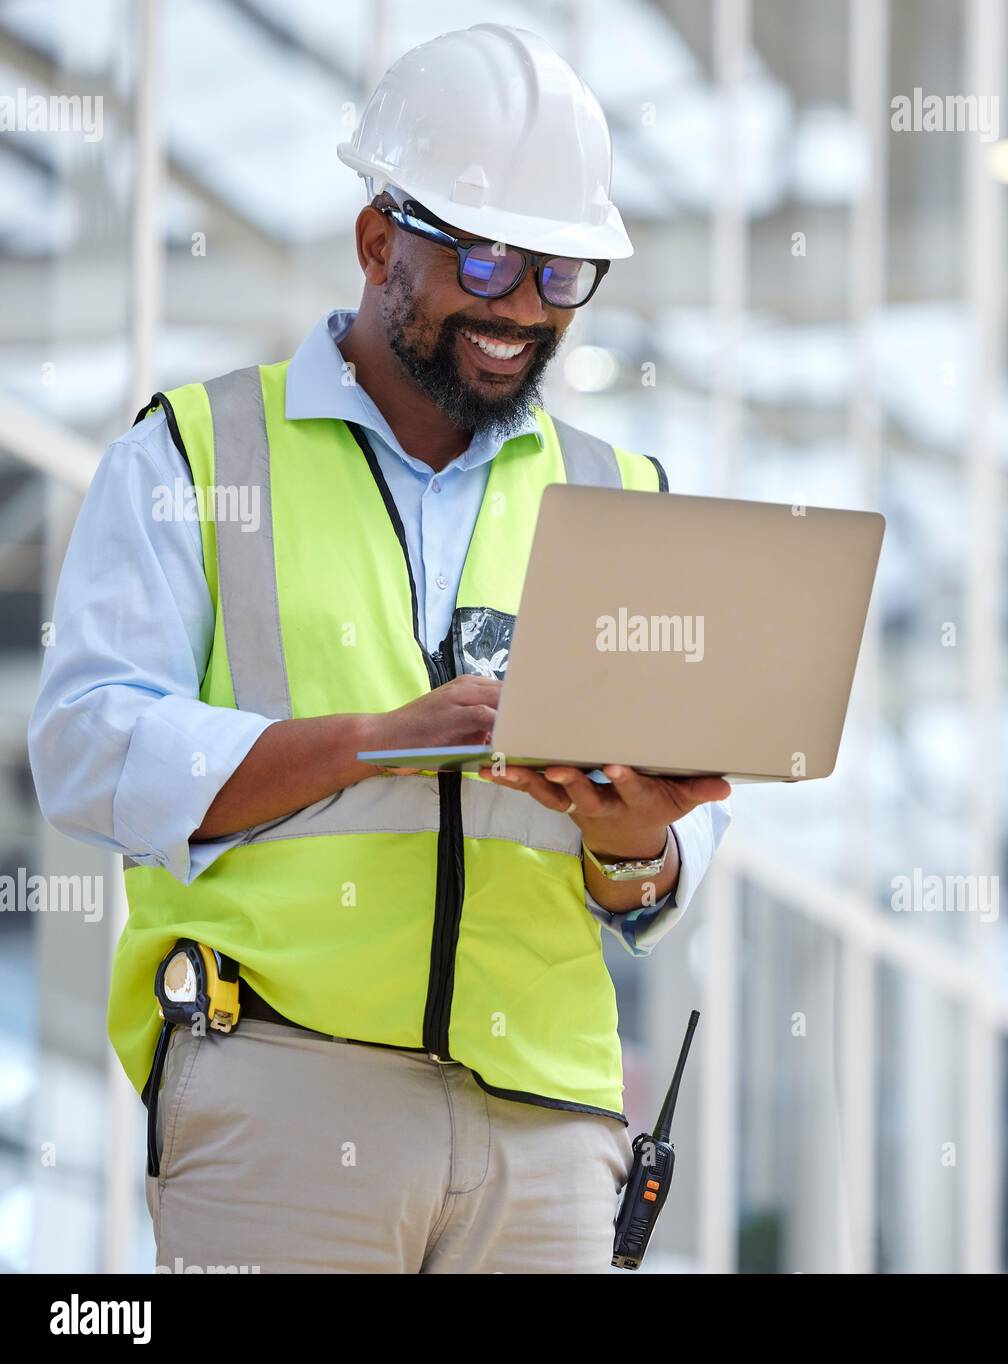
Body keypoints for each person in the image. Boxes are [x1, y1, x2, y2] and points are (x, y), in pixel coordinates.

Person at [28, 23, 731, 1274]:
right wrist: (371, 742)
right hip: (287, 1086)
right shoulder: (198, 456)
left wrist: (641, 849)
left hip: (554, 1122)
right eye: (484, 256)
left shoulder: (622, 492)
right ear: (376, 242)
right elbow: (86, 749)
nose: (521, 308)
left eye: (561, 274)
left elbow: (657, 880)